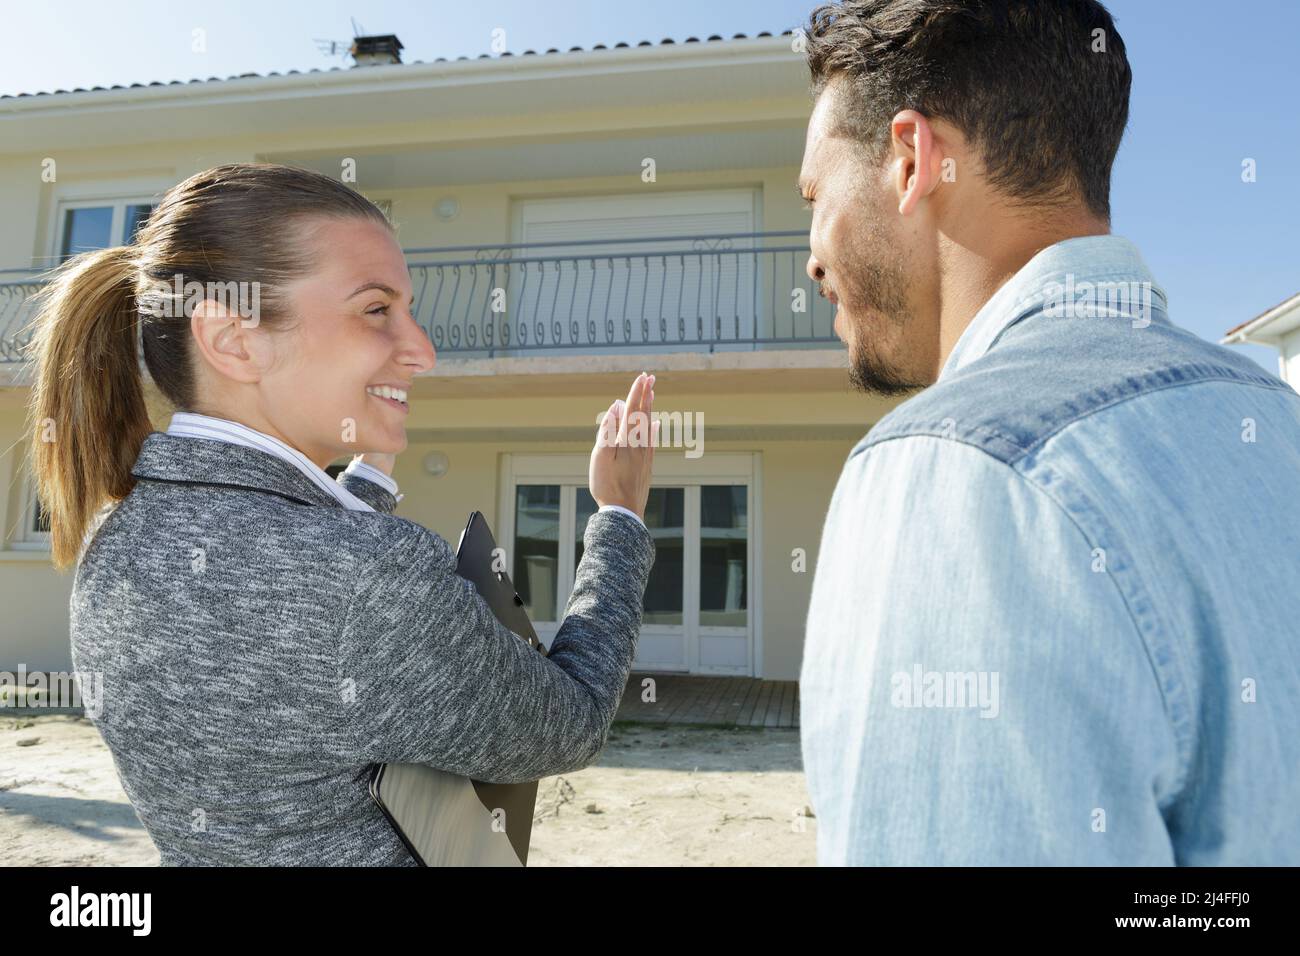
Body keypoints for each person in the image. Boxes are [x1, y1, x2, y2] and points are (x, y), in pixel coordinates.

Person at [24, 162, 658, 865]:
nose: (422, 350)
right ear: (234, 339)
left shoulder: (116, 541)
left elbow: (274, 581)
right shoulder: (369, 574)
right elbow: (570, 723)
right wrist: (619, 518)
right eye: (376, 309)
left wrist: (364, 478)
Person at [797, 0, 1300, 864]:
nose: (810, 253)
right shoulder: (1273, 421)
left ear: (912, 161)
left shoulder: (951, 473)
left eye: (814, 194)